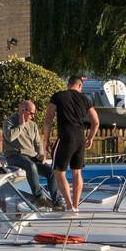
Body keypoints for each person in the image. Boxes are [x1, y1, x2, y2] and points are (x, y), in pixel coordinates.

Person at [40, 75, 100, 211]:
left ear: (69, 84)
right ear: (79, 85)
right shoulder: (85, 99)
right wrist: (90, 137)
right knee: (77, 172)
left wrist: (46, 140)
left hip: (66, 137)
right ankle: (76, 205)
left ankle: (68, 205)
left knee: (58, 172)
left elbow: (48, 120)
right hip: (80, 137)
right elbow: (95, 121)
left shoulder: (58, 96)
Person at [3, 99, 56, 206]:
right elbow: (10, 137)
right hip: (14, 155)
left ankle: (56, 200)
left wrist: (41, 154)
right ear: (23, 111)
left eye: (34, 113)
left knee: (50, 171)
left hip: (30, 156)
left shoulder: (32, 125)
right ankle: (39, 197)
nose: (33, 116)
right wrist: (21, 125)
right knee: (31, 166)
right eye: (31, 113)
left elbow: (37, 143)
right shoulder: (9, 121)